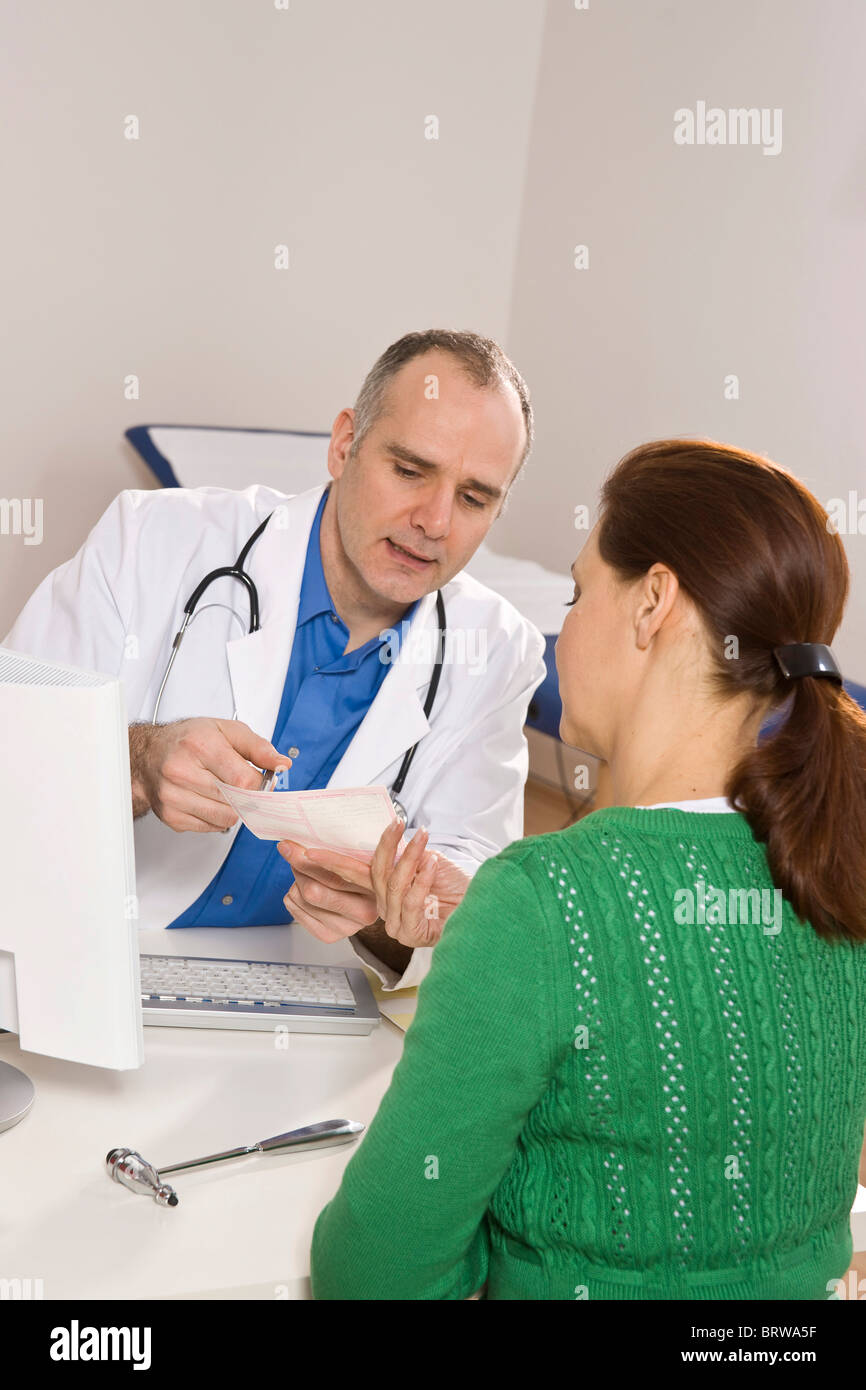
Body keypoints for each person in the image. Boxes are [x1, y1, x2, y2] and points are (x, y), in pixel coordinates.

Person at [310, 437, 866, 1299]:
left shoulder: (539, 901)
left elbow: (371, 1275)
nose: (564, 629)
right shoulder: (837, 873)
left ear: (652, 603)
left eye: (577, 593)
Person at [2, 330, 546, 990]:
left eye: (473, 498)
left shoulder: (497, 651)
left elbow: (469, 888)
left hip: (299, 1000)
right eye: (409, 470)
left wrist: (394, 918)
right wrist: (136, 760)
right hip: (76, 964)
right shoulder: (150, 539)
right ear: (345, 444)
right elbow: (16, 752)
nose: (434, 521)